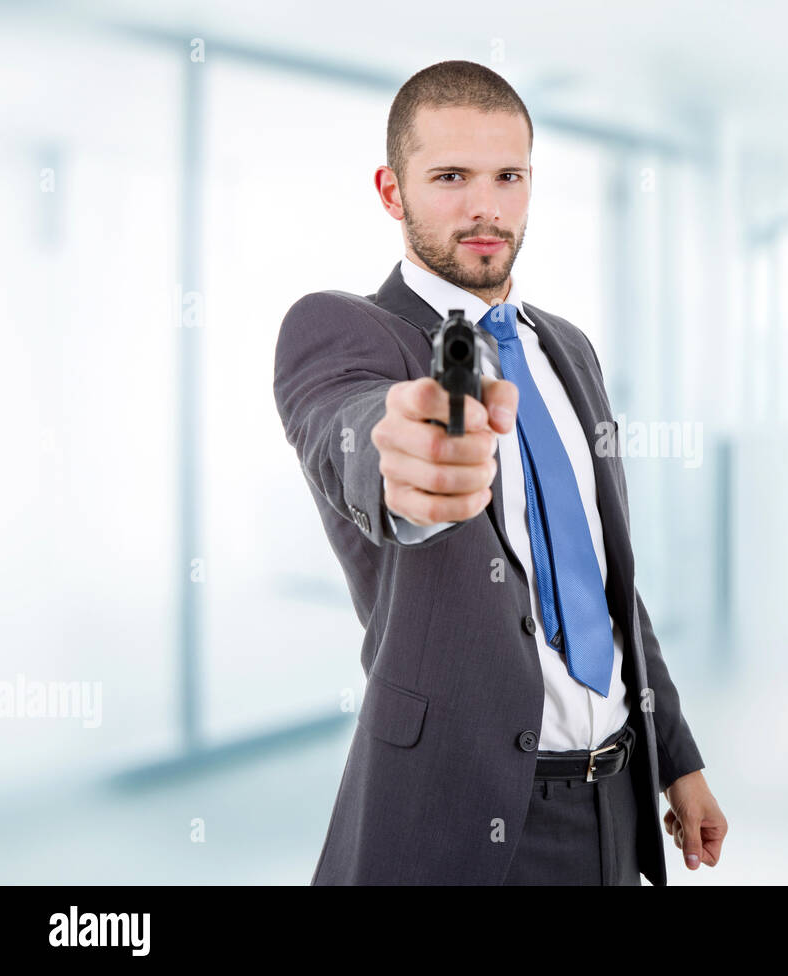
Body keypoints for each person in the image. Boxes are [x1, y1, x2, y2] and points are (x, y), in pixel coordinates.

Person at [272, 60, 726, 884]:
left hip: (617, 807)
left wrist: (676, 758)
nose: (485, 207)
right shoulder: (345, 334)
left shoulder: (570, 350)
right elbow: (352, 434)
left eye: (508, 177)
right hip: (463, 816)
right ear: (391, 189)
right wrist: (405, 462)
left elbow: (601, 575)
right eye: (449, 177)